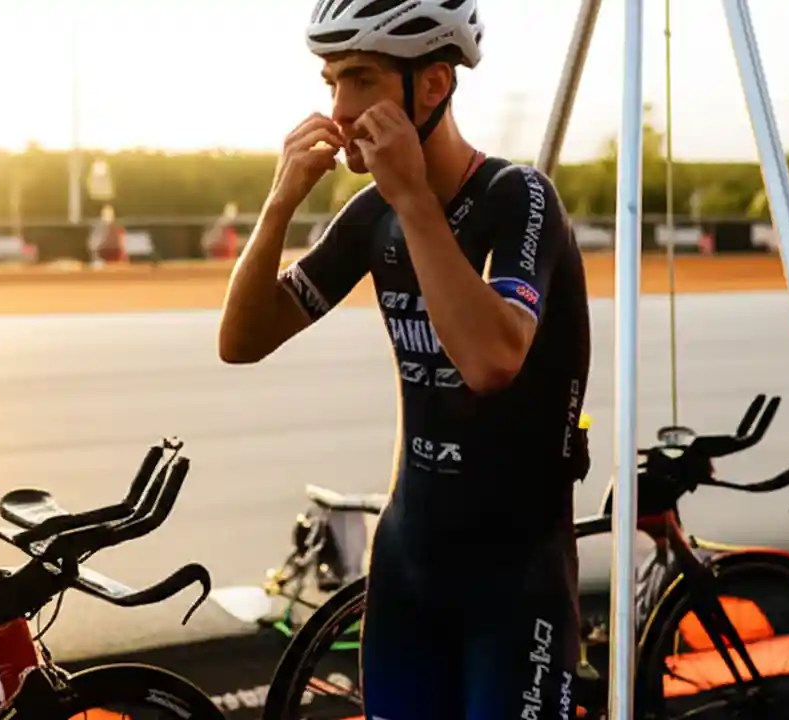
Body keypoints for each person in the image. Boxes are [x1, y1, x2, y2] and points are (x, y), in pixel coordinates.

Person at [217, 0, 593, 717]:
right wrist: (278, 205)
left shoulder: (518, 197)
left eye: (361, 79)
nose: (340, 109)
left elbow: (492, 361)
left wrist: (415, 198)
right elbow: (242, 341)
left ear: (434, 84)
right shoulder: (371, 217)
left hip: (516, 579)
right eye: (331, 82)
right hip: (410, 565)